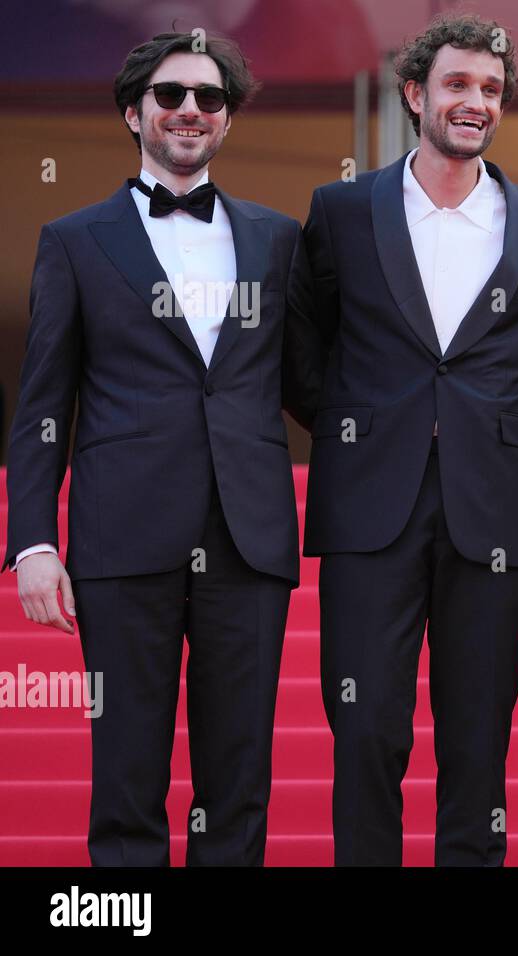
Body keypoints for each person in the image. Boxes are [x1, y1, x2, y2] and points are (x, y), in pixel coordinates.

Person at [4, 32, 317, 865]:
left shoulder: (278, 240)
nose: (189, 111)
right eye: (171, 95)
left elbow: (314, 387)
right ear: (132, 113)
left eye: (209, 99)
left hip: (248, 538)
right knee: (127, 775)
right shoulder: (74, 239)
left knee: (240, 776)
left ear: (226, 121)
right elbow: (42, 405)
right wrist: (34, 539)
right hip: (122, 538)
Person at [298, 14, 518, 866]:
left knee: (478, 744)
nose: (475, 102)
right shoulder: (342, 211)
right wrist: (363, 437)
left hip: (495, 519)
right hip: (369, 514)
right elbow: (302, 353)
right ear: (416, 93)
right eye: (458, 84)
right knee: (367, 730)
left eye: (491, 89)